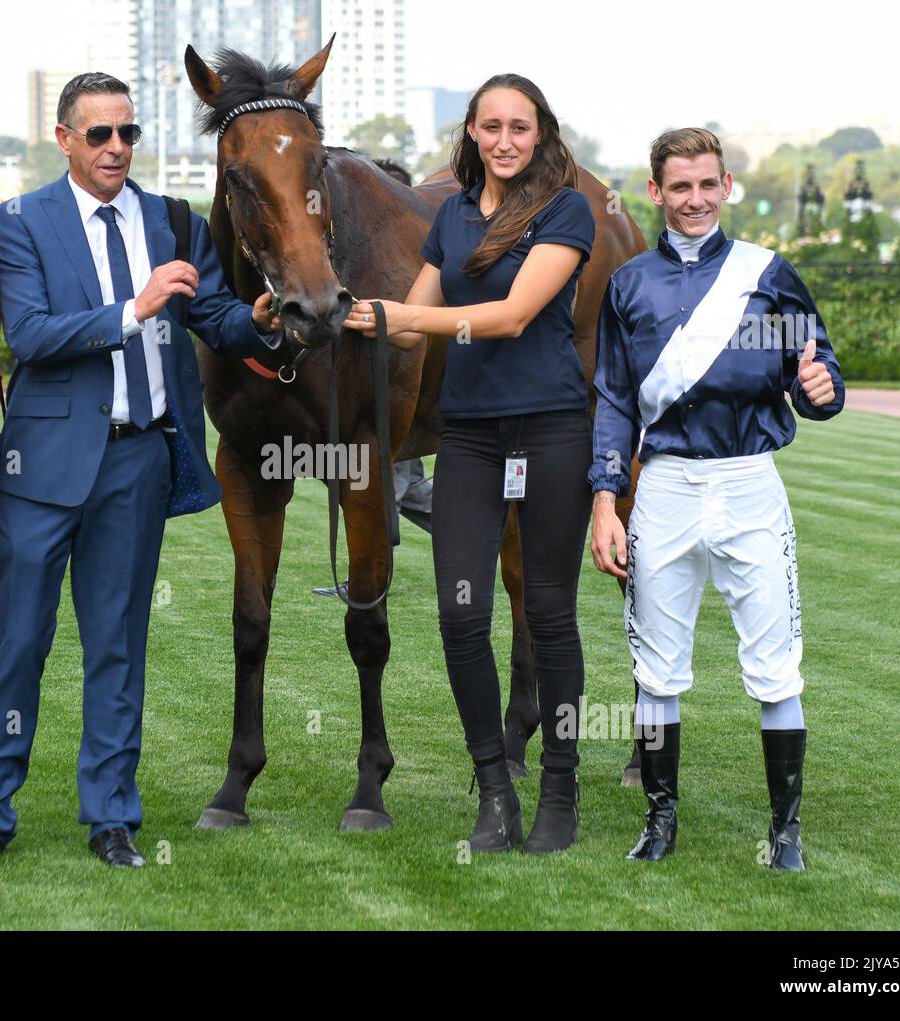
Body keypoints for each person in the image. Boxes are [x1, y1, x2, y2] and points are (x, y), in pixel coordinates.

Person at [0, 71, 283, 871]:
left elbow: (214, 316)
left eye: (126, 132)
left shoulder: (171, 219)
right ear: (64, 139)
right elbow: (28, 333)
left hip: (136, 460)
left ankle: (112, 816)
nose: (116, 148)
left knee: (117, 646)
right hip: (38, 466)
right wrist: (135, 307)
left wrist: (261, 318)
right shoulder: (21, 219)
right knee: (19, 640)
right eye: (99, 134)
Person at [344, 74, 596, 854]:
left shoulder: (567, 209)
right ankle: (493, 789)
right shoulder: (451, 216)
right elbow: (411, 330)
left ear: (541, 132)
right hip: (472, 439)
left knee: (548, 611)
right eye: (492, 126)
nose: (506, 140)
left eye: (520, 126)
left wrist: (406, 313)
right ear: (474, 134)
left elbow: (513, 314)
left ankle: (559, 783)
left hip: (552, 427)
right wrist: (337, 309)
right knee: (460, 615)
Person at [587, 128, 843, 870]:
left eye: (707, 185)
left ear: (726, 185)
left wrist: (821, 389)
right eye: (680, 187)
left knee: (774, 665)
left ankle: (785, 832)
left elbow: (814, 371)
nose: (695, 200)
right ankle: (659, 822)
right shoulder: (629, 283)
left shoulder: (770, 275)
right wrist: (606, 500)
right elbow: (613, 401)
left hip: (749, 482)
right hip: (662, 485)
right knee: (657, 667)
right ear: (655, 192)